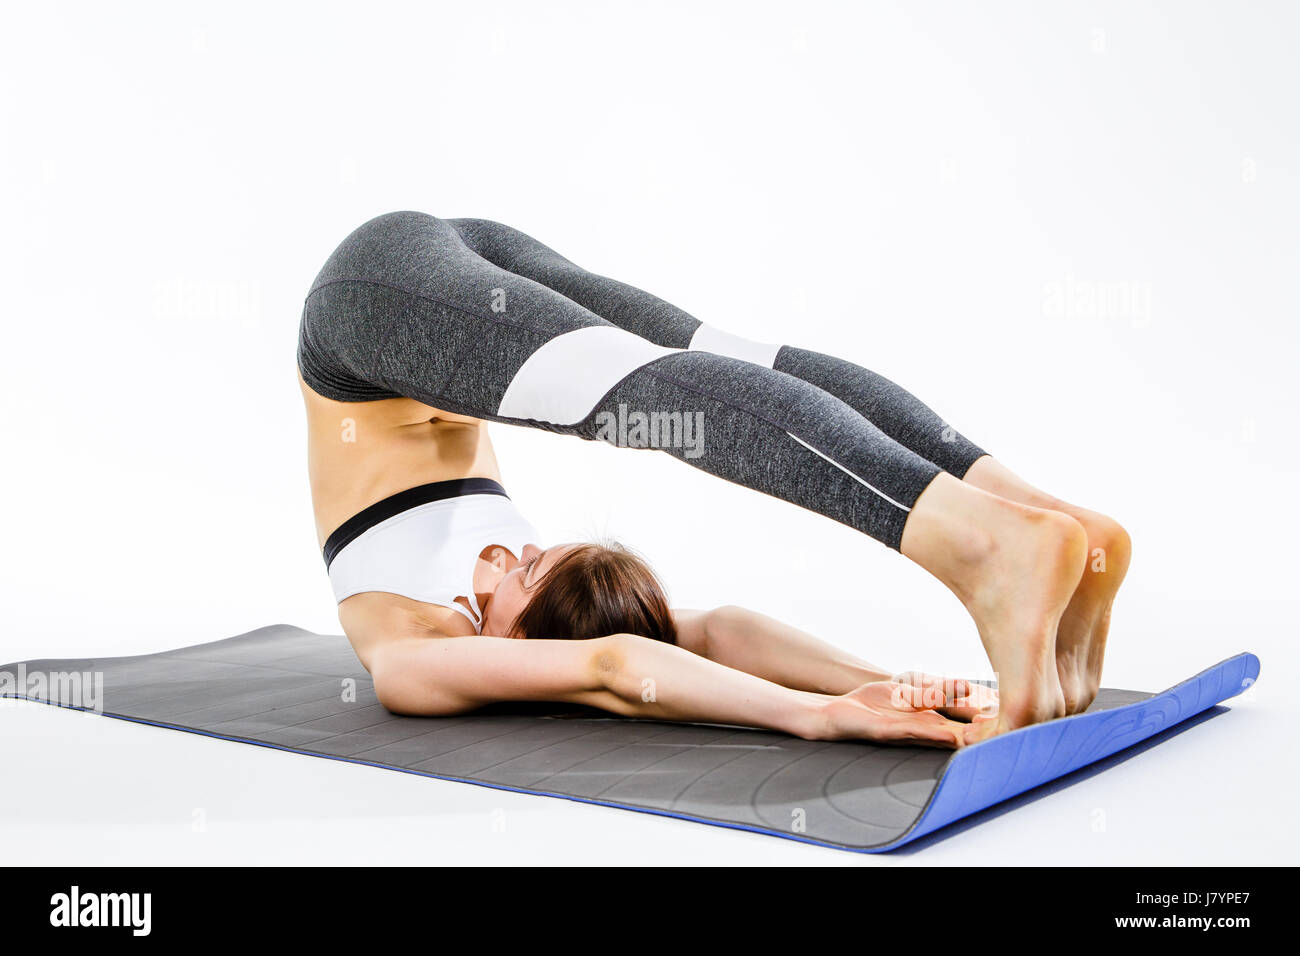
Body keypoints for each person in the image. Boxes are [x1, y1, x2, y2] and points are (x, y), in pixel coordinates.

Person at [297, 211, 1130, 748]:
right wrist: (875, 692)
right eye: (522, 566)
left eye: (521, 567)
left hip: (366, 313)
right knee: (702, 368)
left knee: (653, 395)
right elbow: (697, 638)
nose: (501, 561)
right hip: (442, 295)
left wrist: (814, 716)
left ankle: (991, 543)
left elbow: (615, 666)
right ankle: (1041, 521)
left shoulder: (416, 653)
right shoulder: (533, 640)